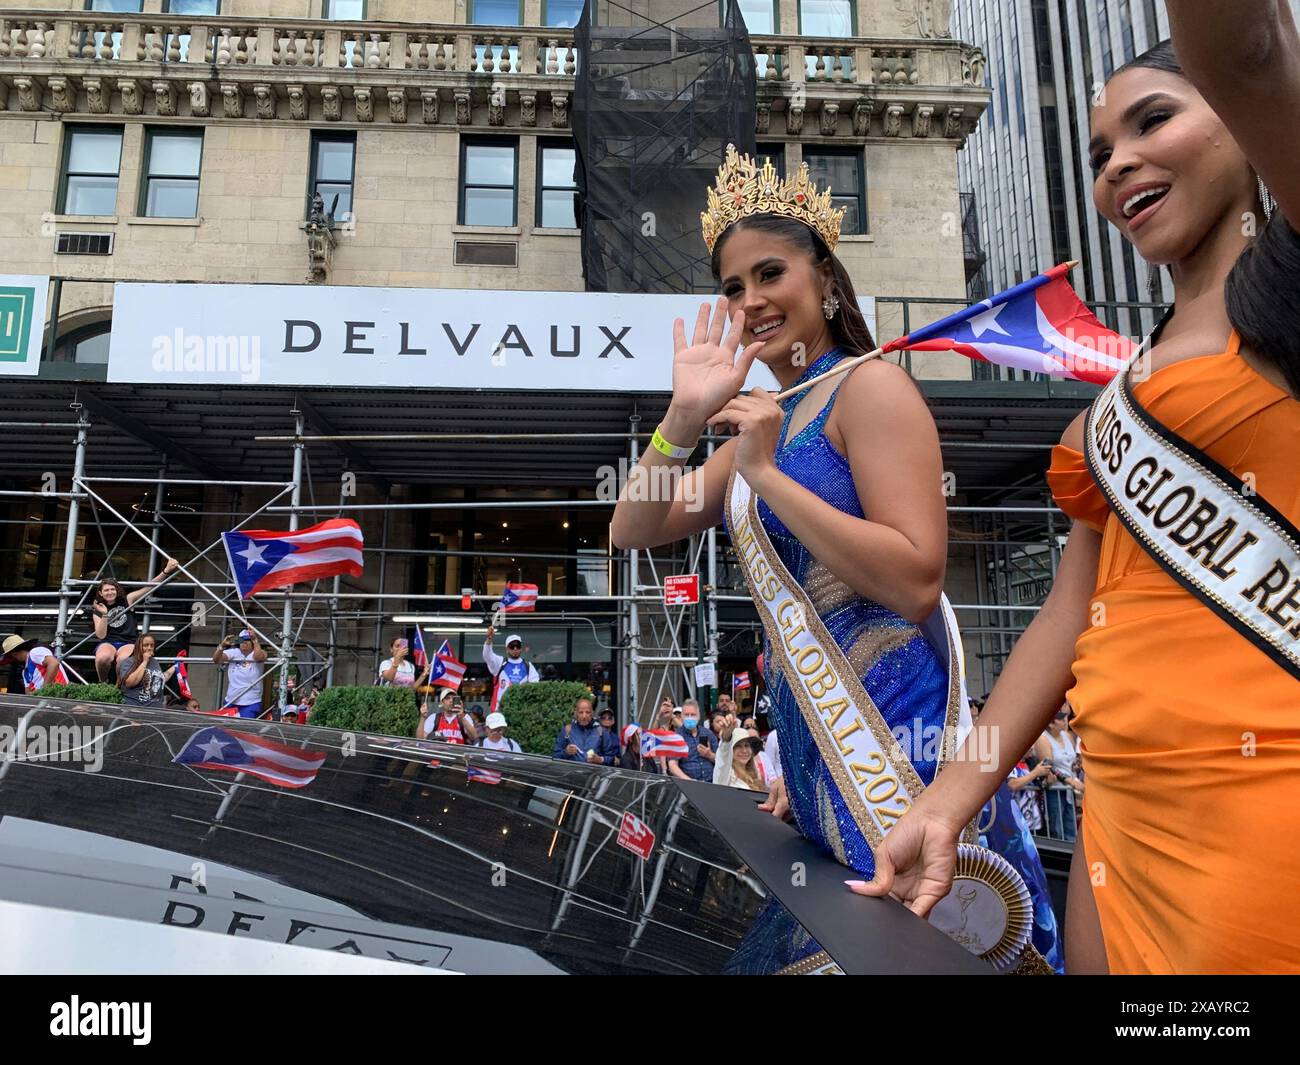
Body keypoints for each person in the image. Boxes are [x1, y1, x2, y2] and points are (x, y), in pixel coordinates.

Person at [857, 3, 1300, 975]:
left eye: (1151, 121)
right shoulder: (1122, 394)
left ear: (1235, 116)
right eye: (1099, 150)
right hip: (1119, 821)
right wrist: (947, 799)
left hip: (1268, 805)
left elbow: (1251, 51)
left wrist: (1241, 68)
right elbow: (1068, 613)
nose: (1116, 165)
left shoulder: (1292, 290)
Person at [609, 144, 968, 882]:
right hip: (809, 759)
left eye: (770, 273)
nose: (751, 303)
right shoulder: (766, 419)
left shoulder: (871, 390)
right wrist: (679, 419)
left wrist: (767, 474)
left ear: (826, 280)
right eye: (733, 287)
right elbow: (631, 528)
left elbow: (916, 580)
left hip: (895, 748)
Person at [91, 558, 179, 683]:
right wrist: (104, 614)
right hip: (108, 642)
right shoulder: (98, 609)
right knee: (103, 657)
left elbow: (149, 587)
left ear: (117, 590)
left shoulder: (128, 599)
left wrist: (166, 571)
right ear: (100, 592)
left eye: (112, 589)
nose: (110, 592)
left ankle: (119, 685)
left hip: (128, 641)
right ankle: (103, 682)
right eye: (106, 590)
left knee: (123, 660)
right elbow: (101, 635)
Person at [1035, 707, 1083, 842]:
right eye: (1060, 719)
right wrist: (1070, 781)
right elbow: (1048, 766)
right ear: (1051, 723)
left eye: (1065, 718)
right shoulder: (1043, 739)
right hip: (1055, 788)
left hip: (1069, 789)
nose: (1065, 721)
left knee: (1071, 825)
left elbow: (1071, 759)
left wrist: (1076, 765)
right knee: (1057, 827)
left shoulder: (1067, 736)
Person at [211, 629, 268, 718]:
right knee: (226, 729)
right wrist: (222, 646)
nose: (244, 642)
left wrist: (255, 640)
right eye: (242, 640)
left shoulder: (259, 651)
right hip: (231, 700)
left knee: (243, 728)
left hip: (250, 702)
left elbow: (258, 657)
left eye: (248, 640)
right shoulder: (234, 652)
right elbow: (216, 659)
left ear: (252, 642)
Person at [482, 626, 539, 713]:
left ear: (521, 648)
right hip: (500, 712)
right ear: (506, 649)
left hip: (520, 711)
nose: (515, 648)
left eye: (517, 646)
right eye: (512, 646)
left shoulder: (528, 665)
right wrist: (489, 639)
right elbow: (487, 655)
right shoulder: (500, 662)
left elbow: (535, 686)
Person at [551, 695, 617, 765]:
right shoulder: (567, 730)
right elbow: (555, 757)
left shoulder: (601, 731)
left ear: (592, 713)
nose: (584, 716)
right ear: (576, 713)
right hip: (572, 773)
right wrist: (566, 752)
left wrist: (600, 760)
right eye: (581, 712)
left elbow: (612, 759)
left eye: (587, 712)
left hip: (595, 774)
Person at [663, 698, 716, 783]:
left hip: (711, 784)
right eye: (687, 715)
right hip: (688, 786)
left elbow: (721, 761)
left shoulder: (708, 734)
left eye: (693, 715)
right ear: (682, 717)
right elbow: (672, 765)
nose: (690, 717)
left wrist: (709, 755)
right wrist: (690, 781)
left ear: (698, 716)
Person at [118, 632, 175, 709]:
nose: (149, 648)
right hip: (135, 711)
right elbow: (129, 682)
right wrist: (145, 661)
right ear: (138, 646)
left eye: (152, 645)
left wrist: (176, 666)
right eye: (145, 645)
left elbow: (160, 678)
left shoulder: (155, 662)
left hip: (155, 711)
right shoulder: (129, 662)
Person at [712, 716, 768, 791]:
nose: (744, 750)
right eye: (738, 746)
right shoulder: (725, 774)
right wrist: (727, 737)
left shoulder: (753, 772)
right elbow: (724, 752)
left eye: (747, 745)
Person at [0, 634, 67, 694]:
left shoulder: (35, 652)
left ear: (13, 654)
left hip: (59, 695)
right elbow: (28, 693)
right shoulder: (25, 672)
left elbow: (54, 663)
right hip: (44, 701)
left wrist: (44, 690)